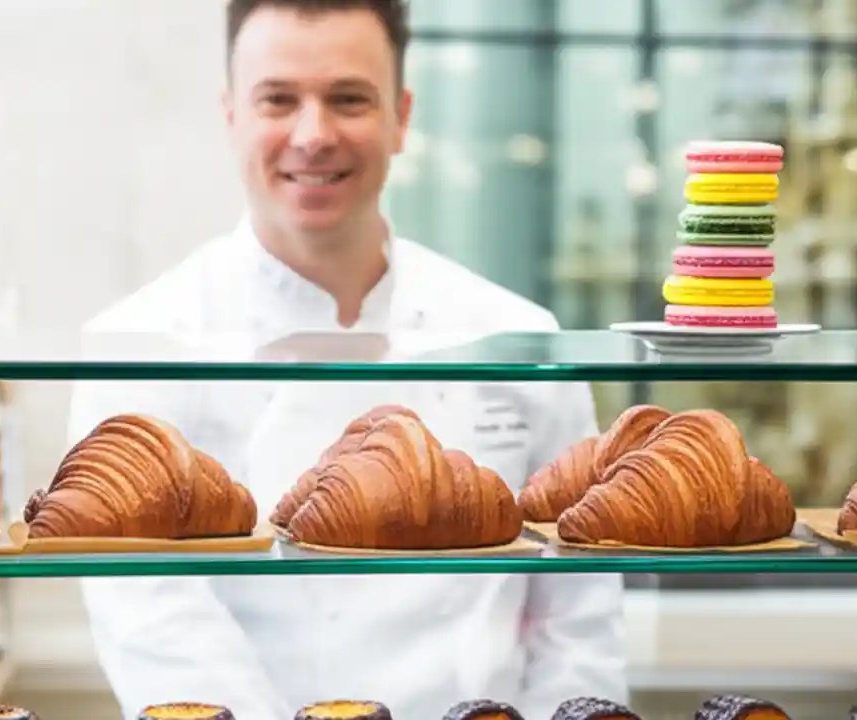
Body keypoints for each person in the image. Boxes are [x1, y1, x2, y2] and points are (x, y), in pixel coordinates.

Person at [72, 1, 628, 718]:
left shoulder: (516, 335)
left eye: (348, 99)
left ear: (401, 116)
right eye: (278, 100)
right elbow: (157, 626)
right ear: (231, 115)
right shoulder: (141, 346)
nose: (313, 135)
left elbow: (577, 620)